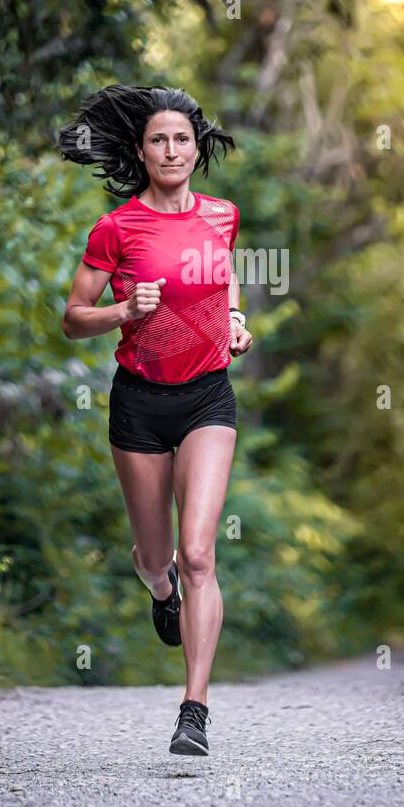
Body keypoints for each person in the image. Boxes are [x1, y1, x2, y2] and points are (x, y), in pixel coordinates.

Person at [59, 84, 252, 755]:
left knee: (200, 552)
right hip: (140, 403)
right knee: (155, 556)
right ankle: (160, 588)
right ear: (140, 153)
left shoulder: (223, 216)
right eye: (157, 140)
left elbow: (222, 283)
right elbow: (72, 319)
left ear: (197, 148)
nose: (171, 150)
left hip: (207, 397)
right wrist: (123, 311)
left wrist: (233, 321)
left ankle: (193, 709)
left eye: (181, 138)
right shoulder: (116, 228)